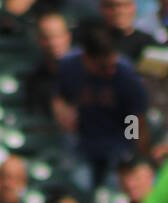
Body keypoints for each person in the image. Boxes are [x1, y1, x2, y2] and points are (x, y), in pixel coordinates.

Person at [52, 20, 150, 190]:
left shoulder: (125, 73)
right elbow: (59, 97)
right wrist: (62, 112)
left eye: (112, 64)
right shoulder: (69, 67)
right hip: (83, 143)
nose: (110, 71)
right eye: (103, 67)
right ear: (86, 59)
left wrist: (133, 149)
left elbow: (134, 117)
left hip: (117, 144)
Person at [26, 9, 72, 110]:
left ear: (68, 36)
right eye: (46, 37)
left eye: (57, 35)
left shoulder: (89, 72)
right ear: (37, 40)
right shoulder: (34, 79)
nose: (53, 43)